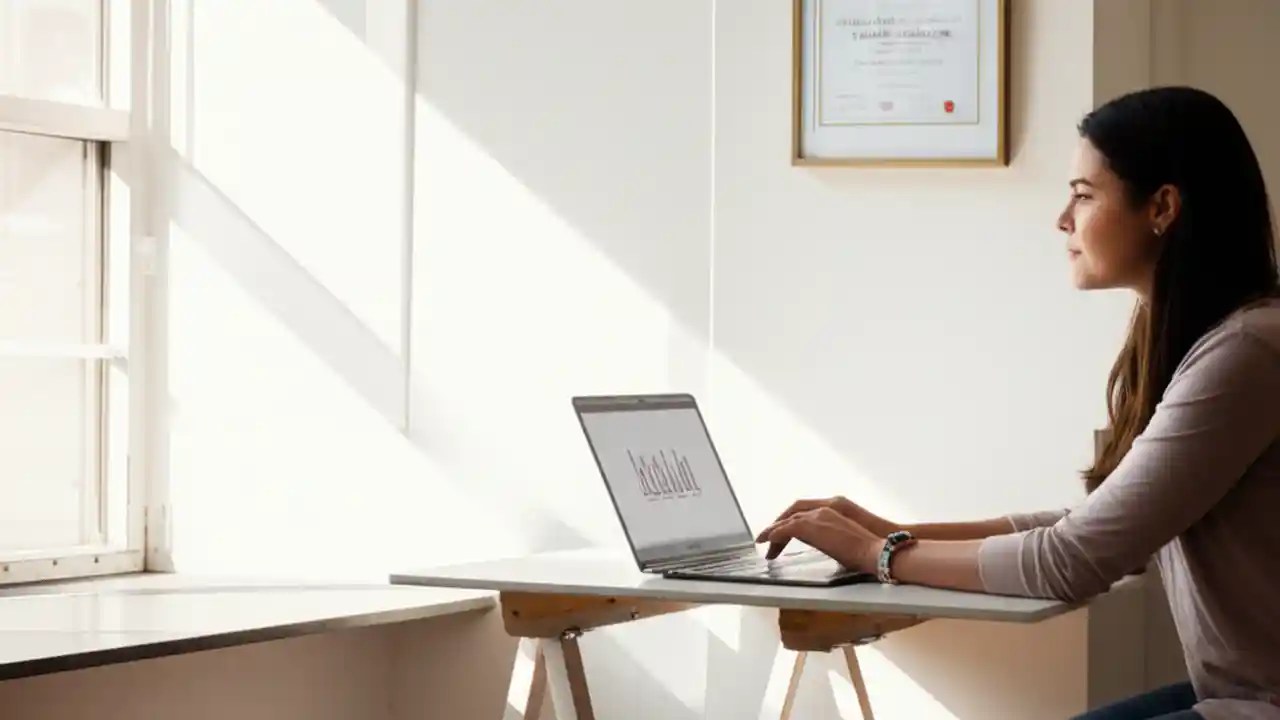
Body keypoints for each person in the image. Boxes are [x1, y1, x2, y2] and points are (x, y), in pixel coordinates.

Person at [756, 86, 1280, 720]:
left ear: (1162, 207)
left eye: (1084, 195)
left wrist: (878, 554)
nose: (1062, 219)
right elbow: (1099, 527)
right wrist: (887, 532)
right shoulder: (1214, 342)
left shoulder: (1246, 353)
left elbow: (1072, 559)